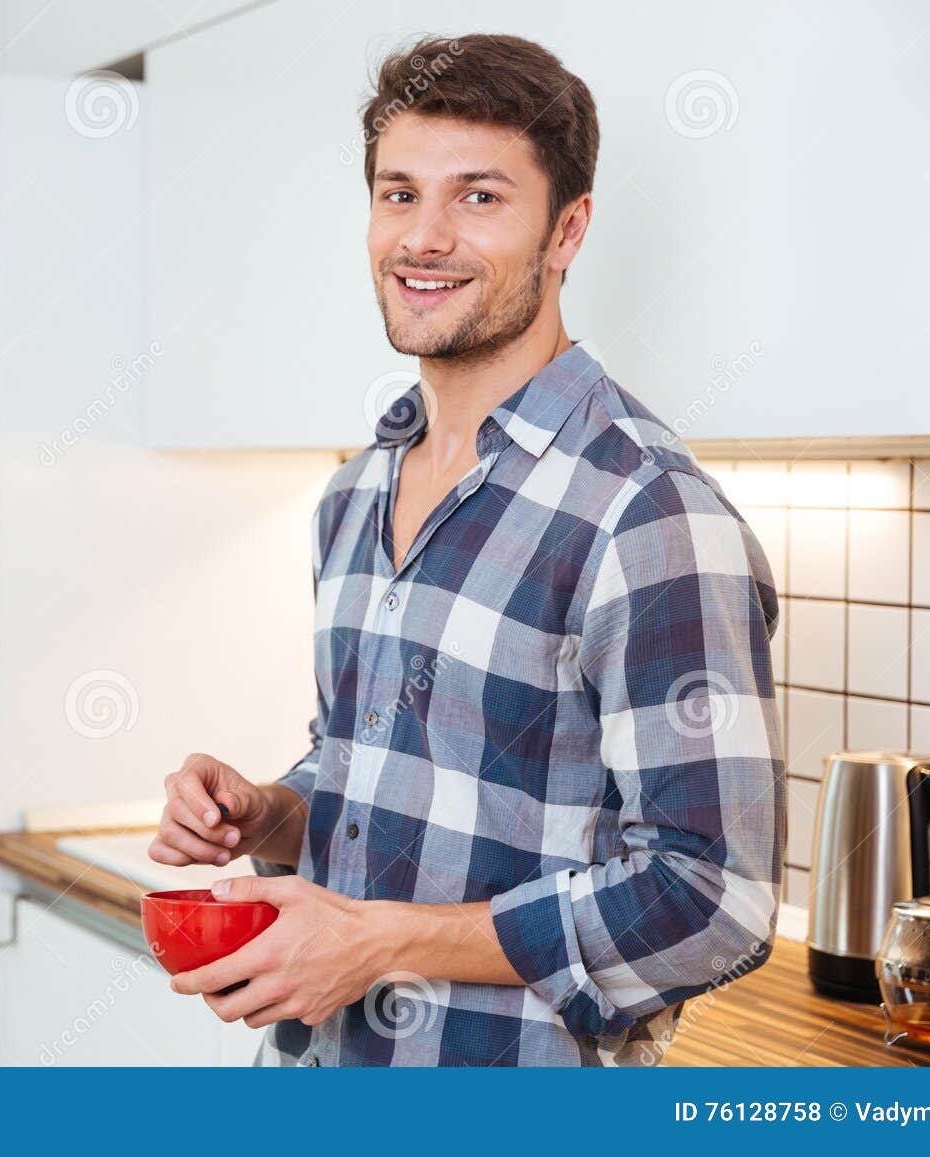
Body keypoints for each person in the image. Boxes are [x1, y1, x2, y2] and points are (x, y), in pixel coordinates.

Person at [149, 33, 784, 1067]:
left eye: (478, 198)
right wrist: (269, 811)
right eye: (399, 194)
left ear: (565, 228)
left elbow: (712, 896)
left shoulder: (646, 512)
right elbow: (383, 770)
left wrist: (379, 942)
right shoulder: (356, 490)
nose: (424, 237)